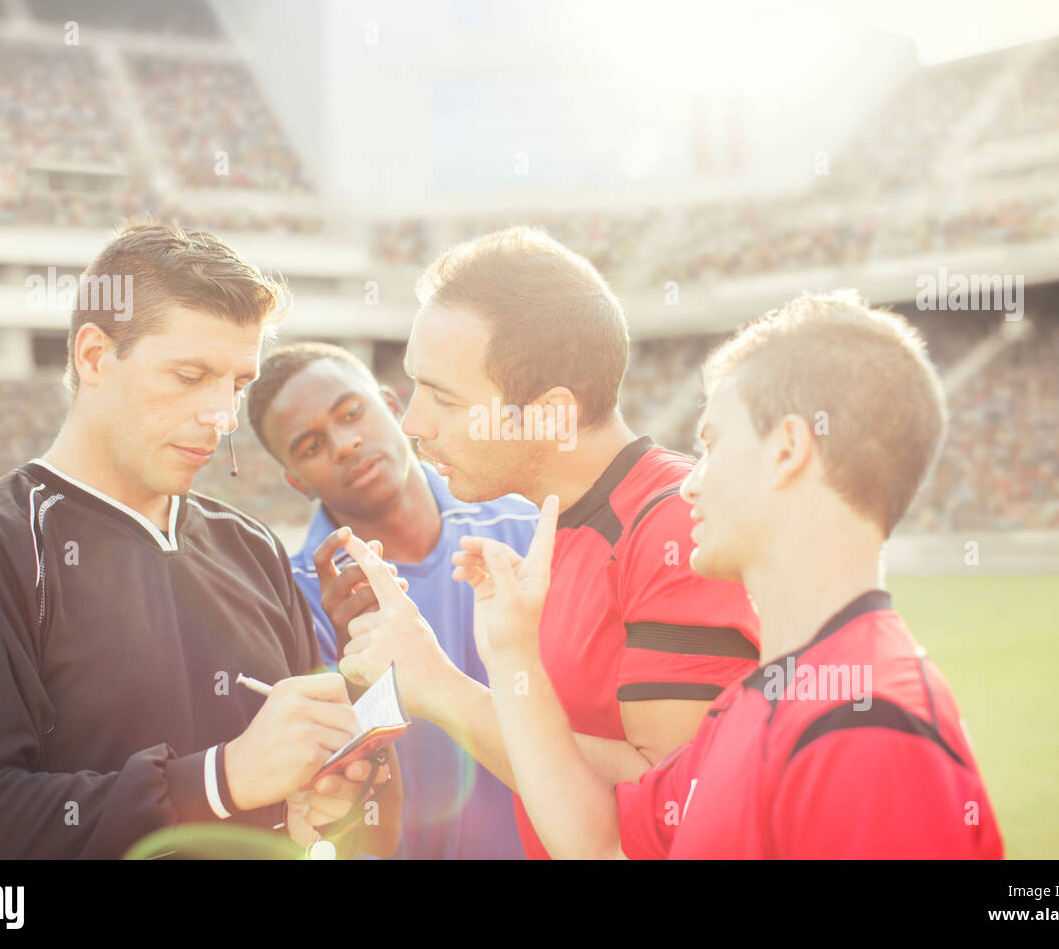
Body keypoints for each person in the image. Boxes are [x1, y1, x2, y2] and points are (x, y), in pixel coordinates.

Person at [417, 290, 1004, 858]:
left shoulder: (868, 729)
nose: (691, 480)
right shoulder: (754, 704)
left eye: (713, 444)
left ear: (788, 449)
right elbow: (602, 845)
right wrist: (513, 654)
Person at [0, 222, 398, 858]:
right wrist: (219, 780)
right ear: (94, 356)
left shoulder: (252, 548)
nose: (222, 417)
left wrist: (327, 794)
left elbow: (317, 812)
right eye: (189, 375)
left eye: (236, 383)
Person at [337, 227, 761, 859]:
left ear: (550, 413)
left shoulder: (674, 523)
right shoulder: (558, 528)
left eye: (444, 400)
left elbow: (672, 811)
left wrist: (439, 687)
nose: (411, 425)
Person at [246, 341, 536, 858]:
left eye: (352, 413)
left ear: (391, 402)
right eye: (311, 446)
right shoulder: (292, 600)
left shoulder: (522, 524)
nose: (343, 444)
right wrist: (356, 673)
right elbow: (338, 812)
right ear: (296, 482)